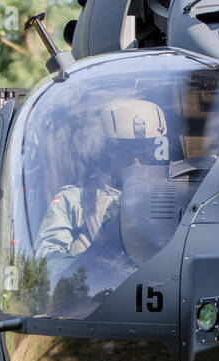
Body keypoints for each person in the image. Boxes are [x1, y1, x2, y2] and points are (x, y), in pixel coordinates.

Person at [34, 98, 169, 262]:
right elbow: (48, 261)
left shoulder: (176, 197)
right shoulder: (74, 200)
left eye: (145, 152)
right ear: (107, 153)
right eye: (125, 152)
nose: (136, 162)